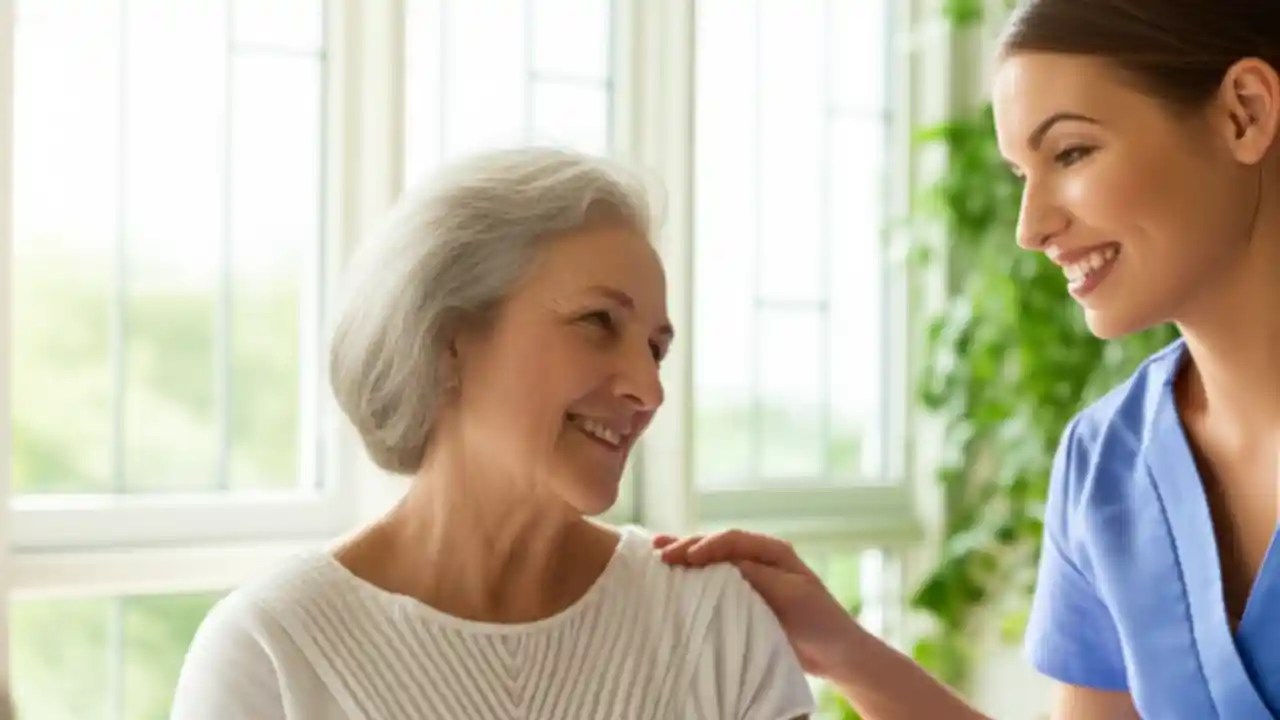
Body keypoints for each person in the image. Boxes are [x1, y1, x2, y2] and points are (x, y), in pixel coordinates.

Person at [656, 0, 1280, 718]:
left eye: (1071, 153)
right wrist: (843, 650)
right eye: (1021, 174)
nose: (1031, 227)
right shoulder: (1106, 463)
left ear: (1244, 113)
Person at [171, 148, 815, 719]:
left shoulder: (712, 626)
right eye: (597, 322)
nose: (648, 391)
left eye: (656, 349)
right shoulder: (272, 650)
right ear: (448, 342)